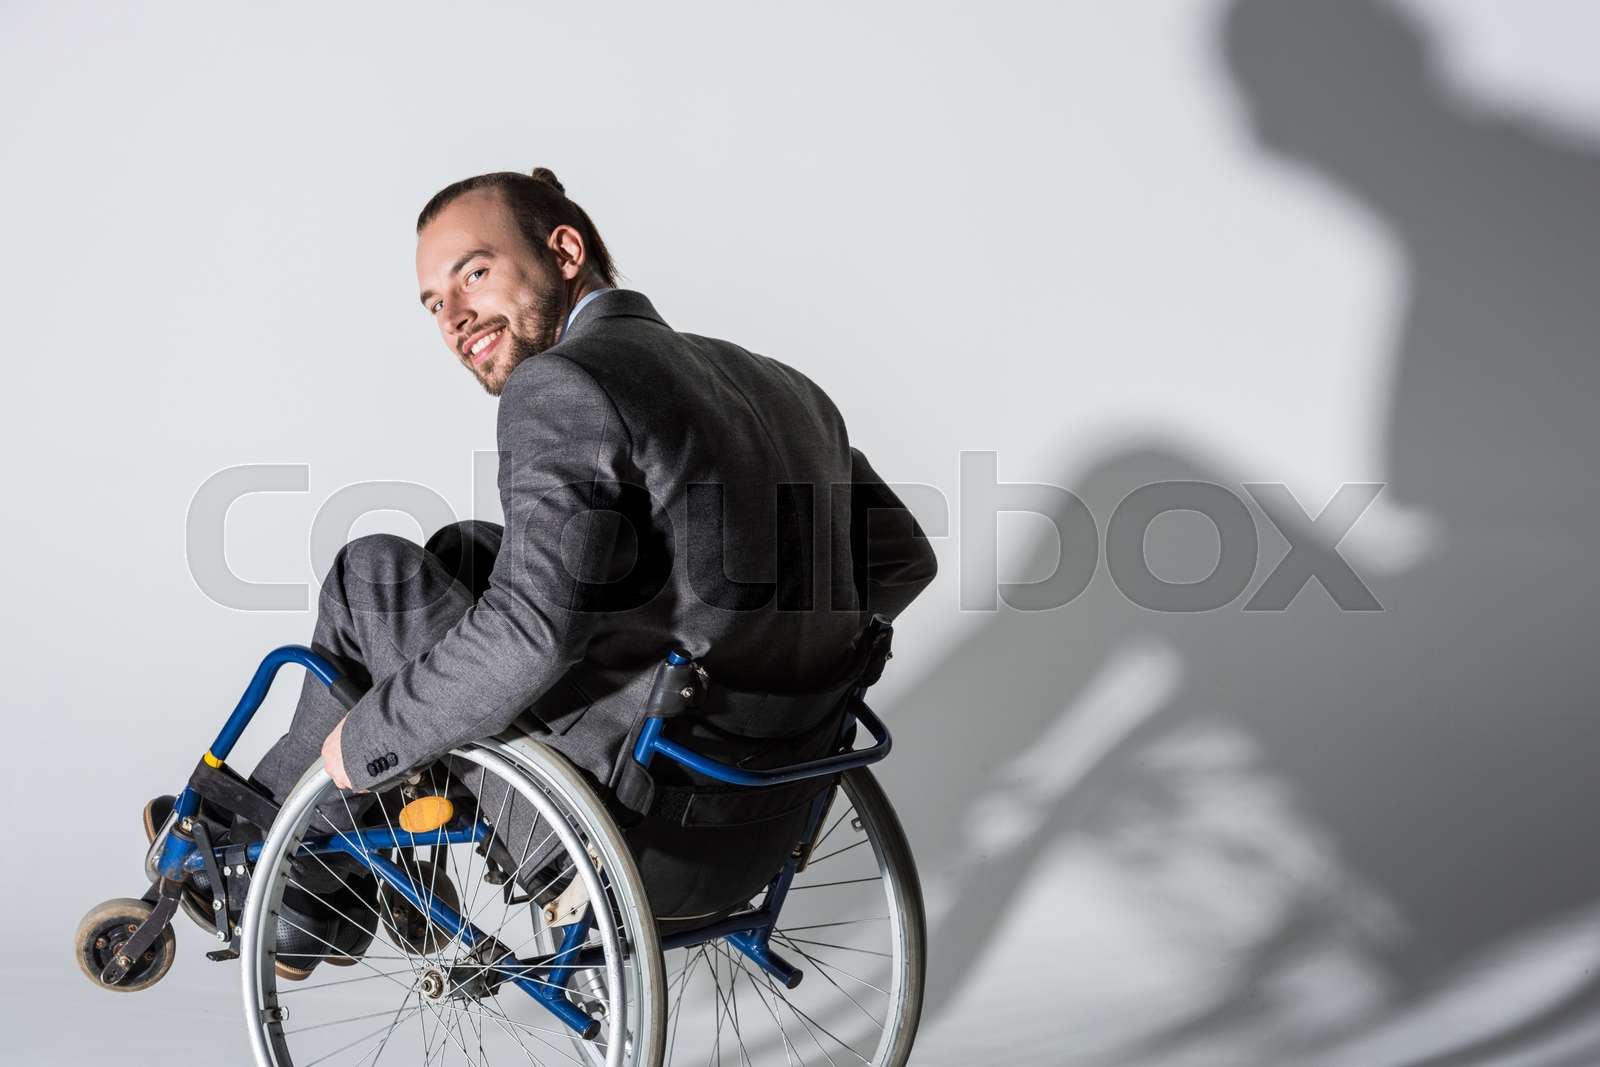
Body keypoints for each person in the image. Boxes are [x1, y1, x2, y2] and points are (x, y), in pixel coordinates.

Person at [147, 166, 938, 978]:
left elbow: (534, 632)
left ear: (565, 252)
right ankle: (324, 883)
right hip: (758, 817)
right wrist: (763, 652)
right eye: (433, 304)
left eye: (474, 274)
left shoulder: (565, 380)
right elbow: (903, 557)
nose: (454, 318)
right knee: (464, 553)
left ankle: (273, 850)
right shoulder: (788, 390)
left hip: (623, 810)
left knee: (374, 576)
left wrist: (369, 742)